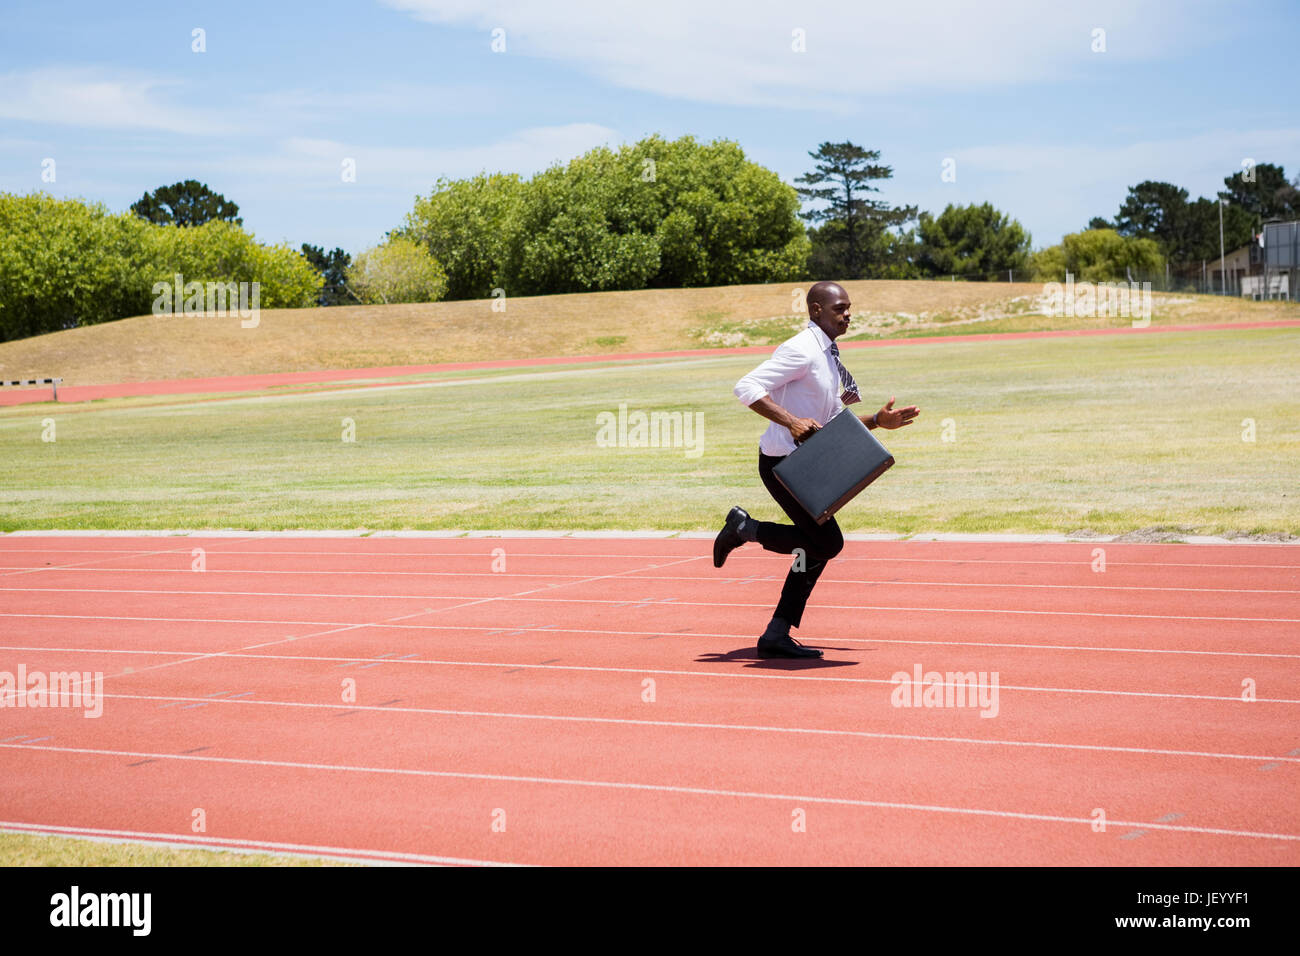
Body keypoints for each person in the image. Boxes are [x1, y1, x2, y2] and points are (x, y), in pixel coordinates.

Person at [714, 281, 919, 659]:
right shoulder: (801, 349)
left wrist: (877, 420)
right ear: (815, 311)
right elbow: (747, 387)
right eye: (839, 308)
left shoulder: (827, 355)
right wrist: (790, 421)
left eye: (849, 307)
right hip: (783, 464)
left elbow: (832, 421)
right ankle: (745, 529)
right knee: (827, 543)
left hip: (813, 462)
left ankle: (776, 633)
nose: (847, 314)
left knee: (816, 548)